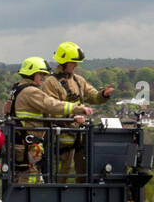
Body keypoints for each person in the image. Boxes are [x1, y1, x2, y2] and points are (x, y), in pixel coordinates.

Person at [6, 57, 93, 181]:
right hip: (27, 146)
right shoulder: (30, 92)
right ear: (31, 74)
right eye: (40, 74)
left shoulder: (17, 89)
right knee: (30, 179)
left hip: (20, 144)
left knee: (24, 175)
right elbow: (52, 105)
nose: (43, 77)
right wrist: (78, 108)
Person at [43, 42, 114, 182]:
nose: (76, 65)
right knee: (60, 175)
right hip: (60, 139)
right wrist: (72, 117)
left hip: (79, 137)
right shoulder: (51, 83)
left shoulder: (78, 80)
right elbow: (51, 110)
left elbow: (92, 96)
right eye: (73, 62)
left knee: (84, 172)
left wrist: (103, 95)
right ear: (64, 62)